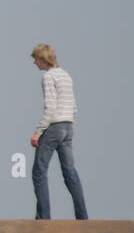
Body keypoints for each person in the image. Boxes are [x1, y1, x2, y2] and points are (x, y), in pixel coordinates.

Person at [29, 44, 89, 219]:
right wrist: (70, 125)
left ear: (42, 59)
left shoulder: (48, 77)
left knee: (39, 172)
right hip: (68, 126)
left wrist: (38, 132)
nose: (34, 63)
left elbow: (50, 107)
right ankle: (82, 216)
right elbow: (74, 106)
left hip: (54, 126)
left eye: (36, 59)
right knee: (70, 171)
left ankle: (43, 217)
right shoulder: (66, 75)